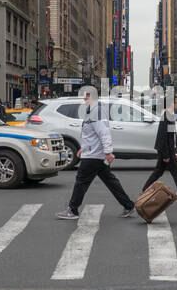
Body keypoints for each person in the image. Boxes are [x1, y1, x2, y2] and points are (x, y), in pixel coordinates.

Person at [56, 89, 137, 221]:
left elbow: (103, 132)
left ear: (91, 96)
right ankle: (128, 205)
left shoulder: (97, 111)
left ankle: (73, 209)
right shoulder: (91, 111)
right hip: (93, 154)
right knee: (111, 182)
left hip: (93, 155)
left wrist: (108, 151)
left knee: (81, 182)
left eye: (85, 96)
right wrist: (83, 148)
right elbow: (91, 134)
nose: (83, 99)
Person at [141, 96, 177, 204]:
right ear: (171, 104)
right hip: (166, 150)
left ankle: (145, 189)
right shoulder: (166, 117)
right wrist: (166, 155)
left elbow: (172, 135)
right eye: (176, 102)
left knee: (159, 172)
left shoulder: (169, 116)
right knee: (176, 172)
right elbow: (163, 137)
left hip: (168, 149)